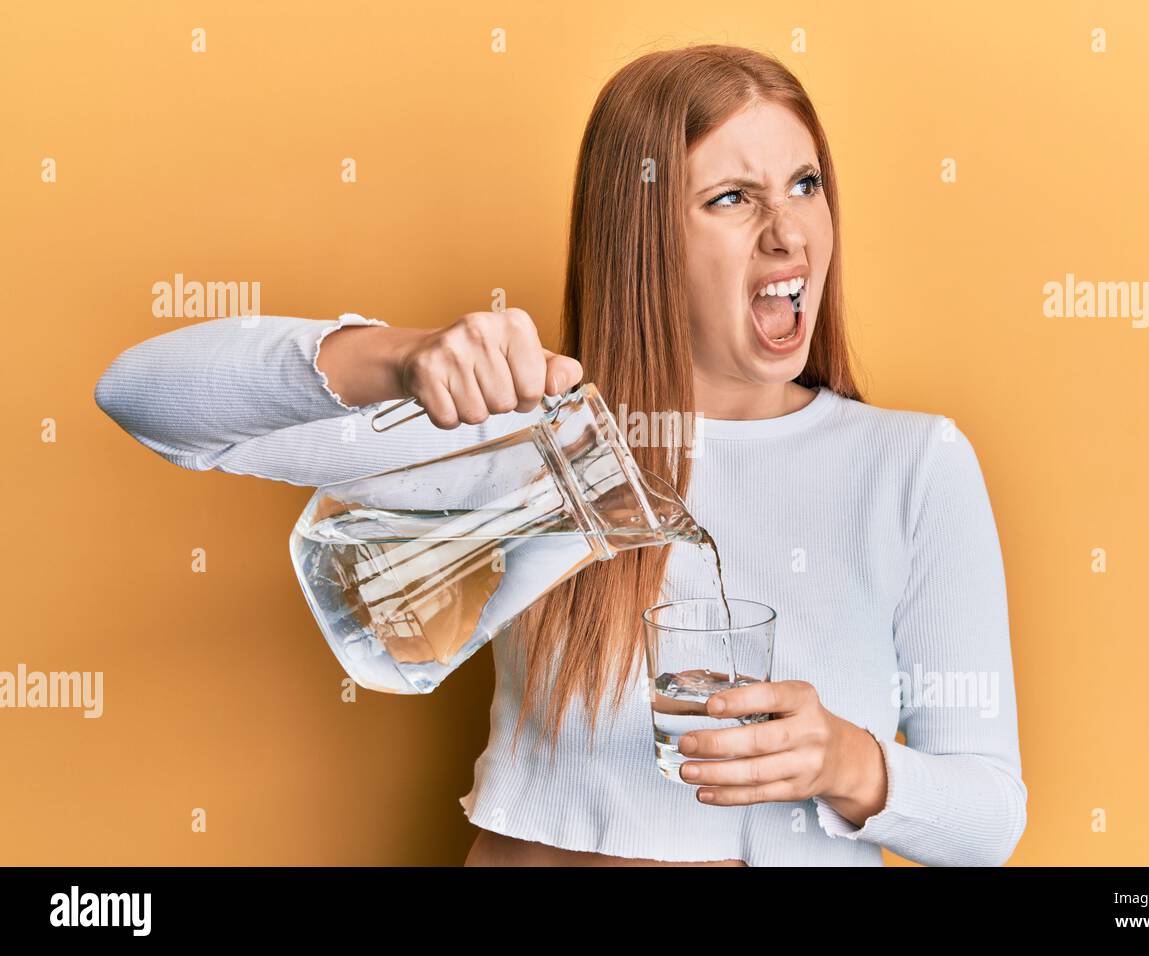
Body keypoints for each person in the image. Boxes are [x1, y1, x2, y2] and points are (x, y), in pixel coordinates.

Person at [94, 44, 1027, 867]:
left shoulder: (913, 466)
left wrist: (846, 762)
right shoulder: (534, 431)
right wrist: (401, 358)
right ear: (646, 237)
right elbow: (143, 395)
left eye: (806, 184)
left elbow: (989, 823)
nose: (789, 232)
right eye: (733, 197)